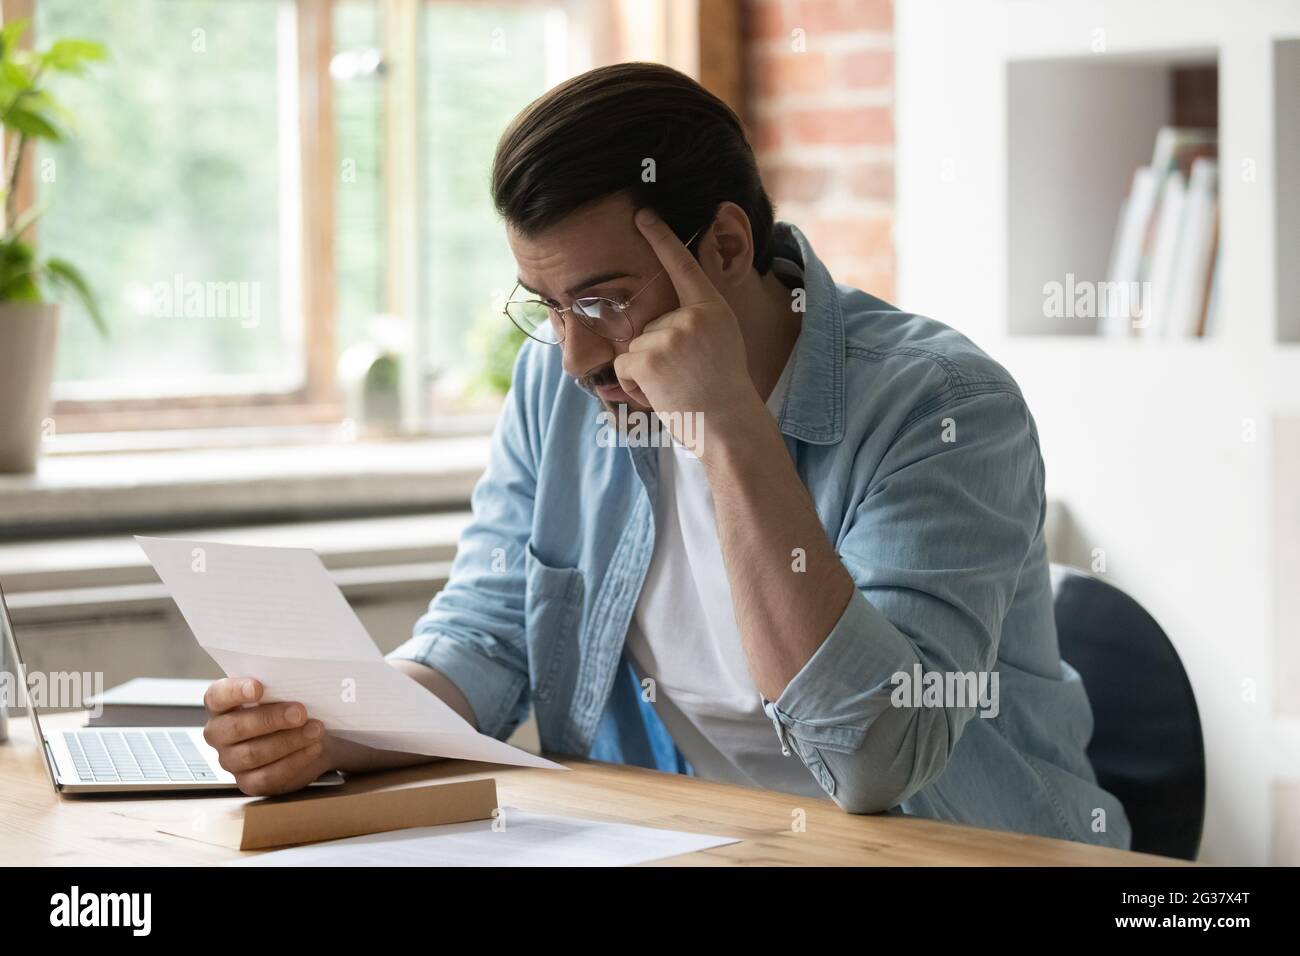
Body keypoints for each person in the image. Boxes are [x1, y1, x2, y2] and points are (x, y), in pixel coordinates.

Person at [202, 62, 1130, 848]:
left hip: (951, 853)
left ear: (725, 245)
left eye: (603, 300)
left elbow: (875, 757)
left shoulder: (942, 407)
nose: (574, 358)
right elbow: (487, 640)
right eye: (547, 304)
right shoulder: (555, 383)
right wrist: (326, 726)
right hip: (700, 841)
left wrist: (726, 422)